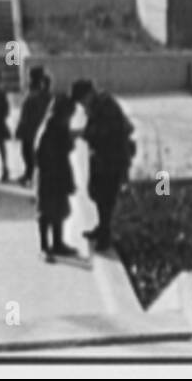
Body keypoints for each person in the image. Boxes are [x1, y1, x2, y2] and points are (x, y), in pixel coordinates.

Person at [71, 78, 136, 252]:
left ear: (89, 94)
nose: (82, 106)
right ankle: (101, 228)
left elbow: (107, 132)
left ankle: (105, 236)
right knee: (97, 194)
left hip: (112, 159)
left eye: (82, 101)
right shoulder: (96, 105)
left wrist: (82, 133)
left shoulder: (106, 105)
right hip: (101, 158)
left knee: (106, 197)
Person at [35, 95, 79, 262]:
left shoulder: (58, 126)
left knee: (59, 211)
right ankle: (44, 247)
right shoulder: (50, 128)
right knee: (46, 212)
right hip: (49, 175)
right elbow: (43, 153)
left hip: (58, 174)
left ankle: (58, 243)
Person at [14, 67, 53, 187]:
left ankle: (31, 176)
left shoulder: (36, 94)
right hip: (36, 127)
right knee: (30, 153)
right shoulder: (43, 92)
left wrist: (20, 128)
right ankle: (29, 174)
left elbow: (27, 113)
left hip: (31, 127)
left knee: (28, 153)